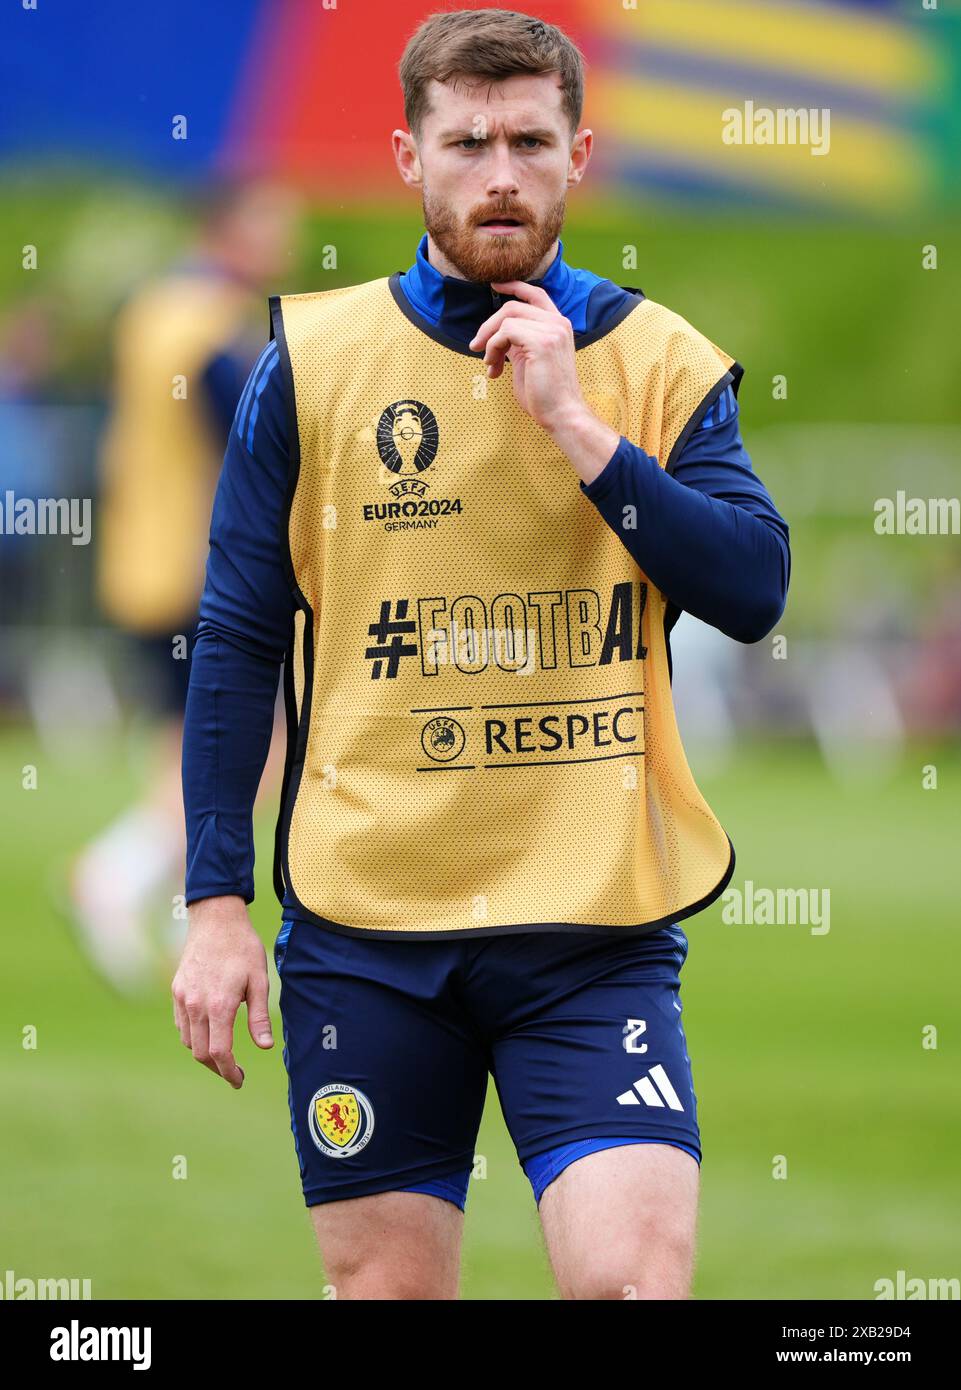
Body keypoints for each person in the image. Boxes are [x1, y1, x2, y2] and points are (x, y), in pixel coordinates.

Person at [173, 9, 790, 1299]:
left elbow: (751, 589)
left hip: (591, 926)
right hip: (368, 927)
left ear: (579, 156)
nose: (499, 174)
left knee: (631, 1285)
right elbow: (235, 635)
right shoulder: (311, 362)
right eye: (467, 144)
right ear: (410, 157)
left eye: (528, 142)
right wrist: (216, 903)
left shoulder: (656, 361)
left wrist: (579, 428)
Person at [70, 178, 300, 992]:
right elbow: (248, 439)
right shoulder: (209, 322)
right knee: (257, 743)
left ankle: (178, 907)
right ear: (230, 230)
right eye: (272, 223)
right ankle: (119, 872)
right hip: (198, 567)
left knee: (190, 737)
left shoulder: (154, 308)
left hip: (145, 554)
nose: (285, 241)